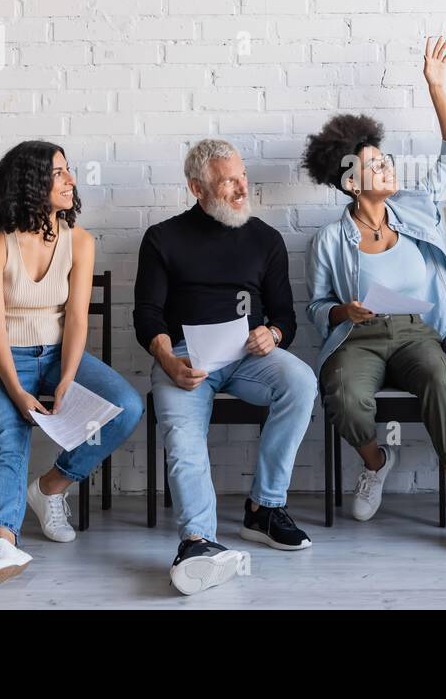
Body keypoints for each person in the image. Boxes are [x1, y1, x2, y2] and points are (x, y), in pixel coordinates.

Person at [303, 37, 446, 555]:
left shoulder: (417, 207)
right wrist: (344, 309)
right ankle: (375, 464)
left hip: (417, 333)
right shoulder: (327, 239)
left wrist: (436, 87)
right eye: (374, 164)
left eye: (386, 160)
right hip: (358, 337)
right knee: (341, 393)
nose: (387, 167)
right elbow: (317, 307)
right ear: (349, 181)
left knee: (440, 379)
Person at [135, 138, 317, 596]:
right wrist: (167, 359)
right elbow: (147, 315)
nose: (240, 188)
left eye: (242, 177)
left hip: (248, 356)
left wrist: (271, 334)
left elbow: (286, 318)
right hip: (184, 356)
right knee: (182, 433)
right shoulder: (163, 238)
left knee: (300, 380)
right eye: (227, 182)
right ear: (197, 188)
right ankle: (198, 542)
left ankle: (264, 509)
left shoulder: (266, 239)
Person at [0, 141, 143, 587]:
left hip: (57, 355)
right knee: (8, 442)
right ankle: (2, 542)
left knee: (126, 405)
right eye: (59, 173)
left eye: (70, 171)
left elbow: (77, 319)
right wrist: (17, 392)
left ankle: (49, 487)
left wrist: (66, 378)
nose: (70, 181)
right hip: (1, 360)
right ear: (31, 183)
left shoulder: (79, 240)